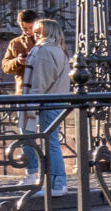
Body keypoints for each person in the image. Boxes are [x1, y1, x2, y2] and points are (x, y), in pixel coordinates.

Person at [15, 17, 72, 194]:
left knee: (48, 141)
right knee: (50, 141)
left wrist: (29, 104)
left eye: (39, 30)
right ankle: (56, 182)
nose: (36, 32)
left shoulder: (43, 50)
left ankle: (56, 184)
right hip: (56, 99)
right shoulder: (58, 50)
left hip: (47, 100)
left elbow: (39, 81)